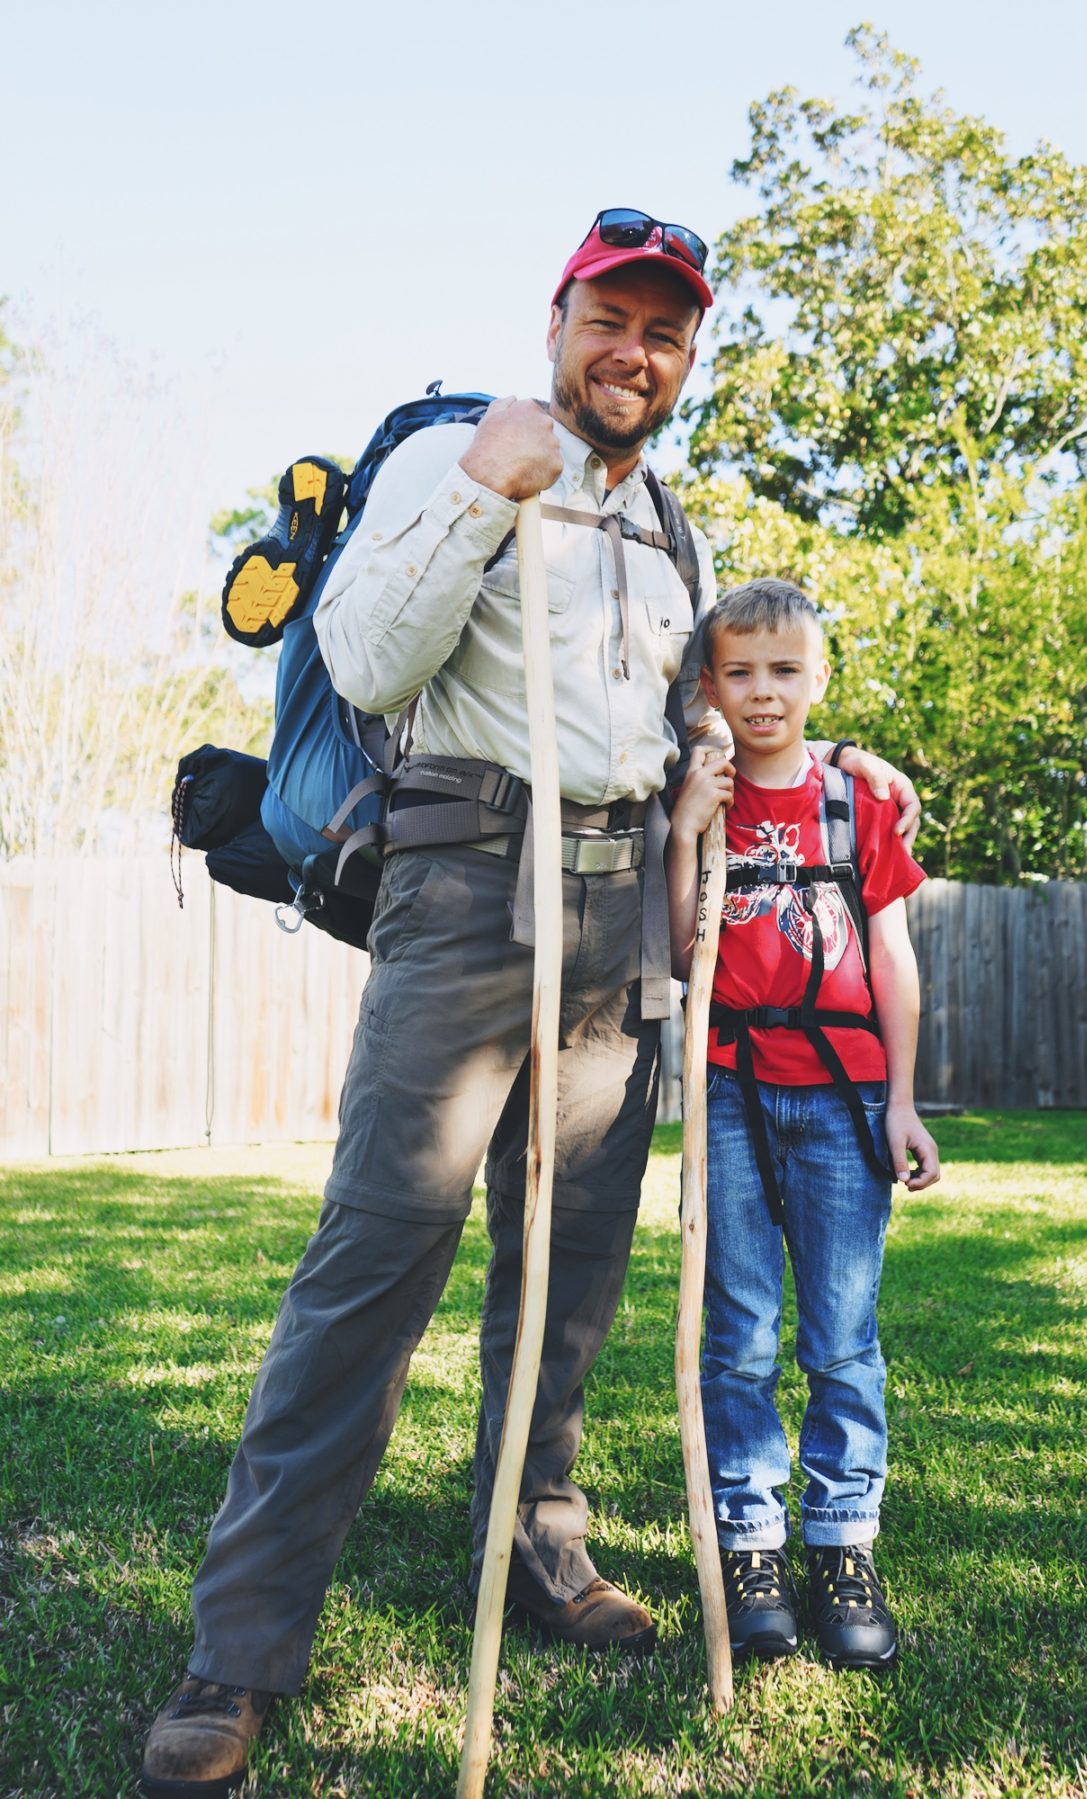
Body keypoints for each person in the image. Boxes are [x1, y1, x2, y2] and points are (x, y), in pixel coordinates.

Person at [141, 214, 921, 1795]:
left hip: (620, 912)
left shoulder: (674, 534)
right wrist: (486, 496)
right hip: (466, 886)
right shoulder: (459, 453)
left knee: (570, 1266)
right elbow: (367, 660)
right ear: (556, 318)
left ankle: (539, 1540)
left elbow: (715, 725)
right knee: (376, 1259)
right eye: (610, 317)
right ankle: (241, 1647)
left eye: (667, 333)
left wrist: (820, 764)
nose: (635, 353)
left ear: (686, 358)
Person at [666, 578, 940, 1671]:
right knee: (737, 1334)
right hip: (730, 1090)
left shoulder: (857, 802)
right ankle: (752, 1543)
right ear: (710, 685)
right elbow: (680, 947)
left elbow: (893, 958)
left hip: (842, 1095)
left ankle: (843, 1539)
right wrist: (684, 831)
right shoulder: (705, 796)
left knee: (841, 1335)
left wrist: (904, 1099)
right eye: (740, 672)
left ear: (818, 678)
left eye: (784, 670)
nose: (763, 692)